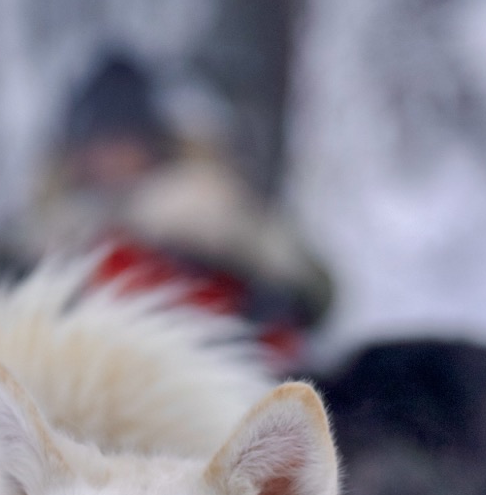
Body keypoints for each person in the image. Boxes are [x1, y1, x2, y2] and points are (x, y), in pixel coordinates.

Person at [26, 48, 335, 355]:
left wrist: (269, 300)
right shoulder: (46, 232)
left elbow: (302, 282)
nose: (109, 158)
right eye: (98, 144)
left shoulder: (209, 206)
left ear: (150, 142)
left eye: (122, 141)